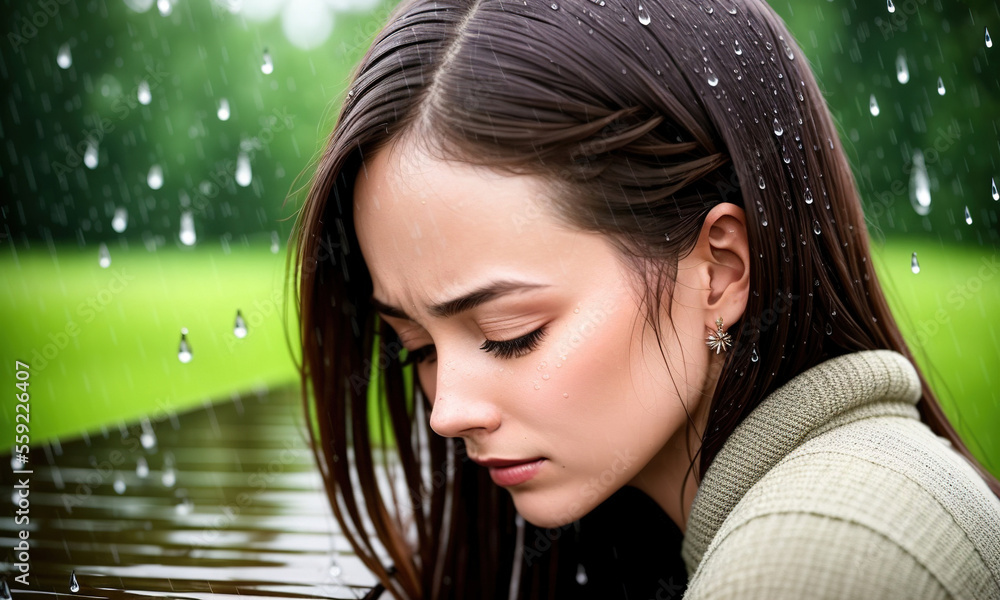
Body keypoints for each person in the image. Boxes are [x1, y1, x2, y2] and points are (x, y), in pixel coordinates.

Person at [286, 0, 1000, 597]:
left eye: (511, 332)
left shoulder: (811, 559)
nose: (447, 413)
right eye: (416, 349)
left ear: (717, 271)